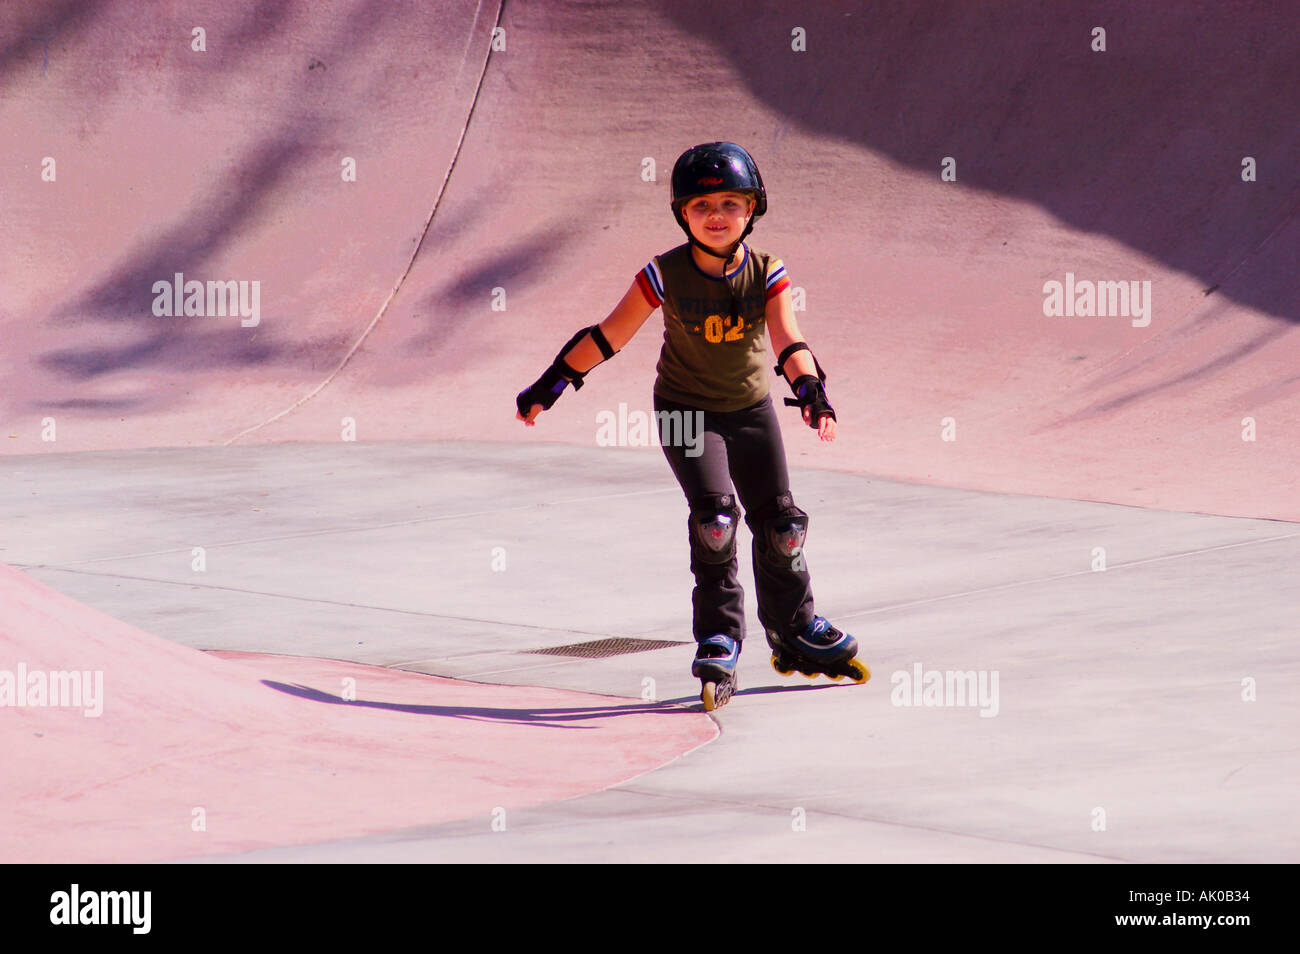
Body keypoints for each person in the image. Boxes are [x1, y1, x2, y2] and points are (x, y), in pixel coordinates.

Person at [515, 142, 867, 710]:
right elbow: (609, 334)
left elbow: (788, 339)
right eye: (703, 205)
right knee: (716, 519)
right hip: (683, 410)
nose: (717, 215)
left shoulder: (767, 271)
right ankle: (720, 635)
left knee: (781, 524)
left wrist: (811, 393)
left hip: (751, 409)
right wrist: (553, 383)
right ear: (682, 213)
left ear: (753, 209)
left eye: (731, 202)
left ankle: (794, 626)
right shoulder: (662, 274)